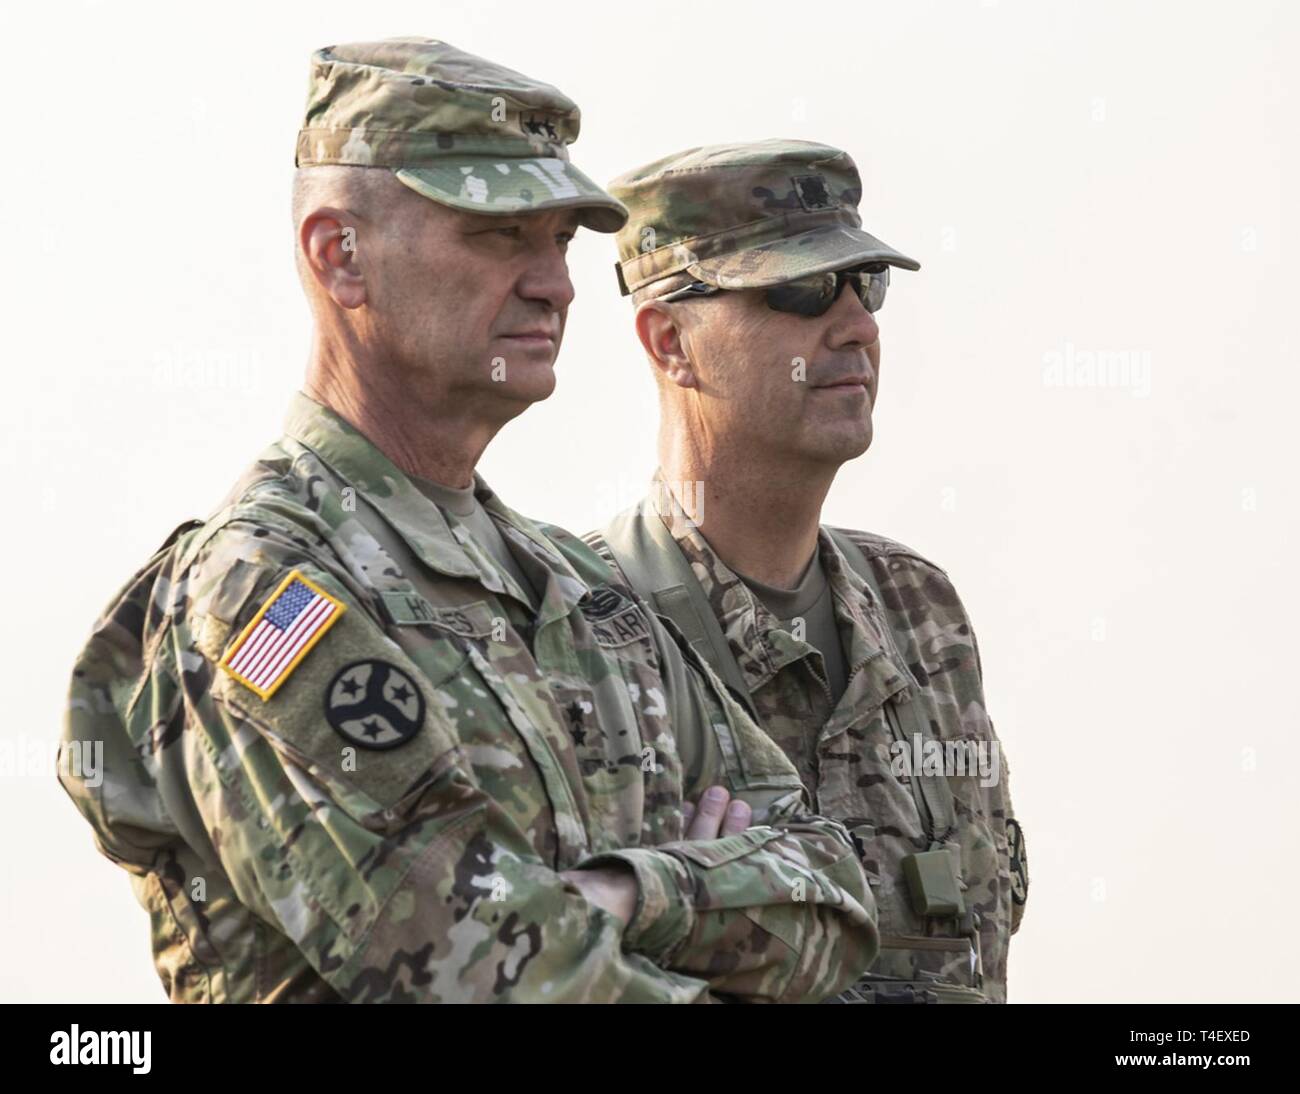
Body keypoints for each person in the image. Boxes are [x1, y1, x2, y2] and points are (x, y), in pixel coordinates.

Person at [57, 44, 877, 1004]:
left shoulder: (583, 590)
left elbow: (834, 896)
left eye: (560, 241)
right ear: (340, 255)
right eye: (499, 235)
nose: (556, 284)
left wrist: (637, 892)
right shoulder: (259, 593)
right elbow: (490, 976)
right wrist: (709, 909)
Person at [588, 139, 1028, 1003]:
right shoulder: (582, 628)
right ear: (670, 341)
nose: (859, 326)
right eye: (800, 290)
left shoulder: (920, 611)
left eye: (867, 285)